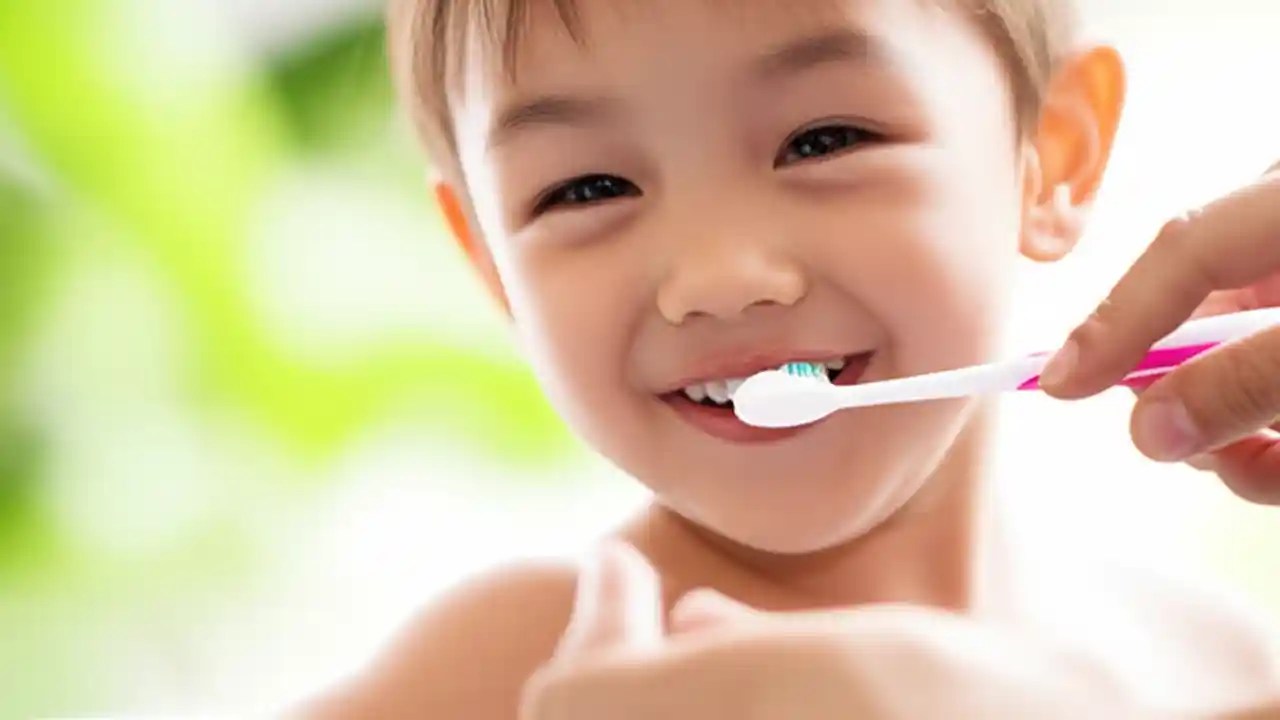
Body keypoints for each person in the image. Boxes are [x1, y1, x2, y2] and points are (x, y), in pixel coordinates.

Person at [296, 0, 1280, 717]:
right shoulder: (508, 675)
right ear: (489, 263)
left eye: (823, 139)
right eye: (586, 188)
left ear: (1050, 153)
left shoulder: (1212, 662)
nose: (717, 279)